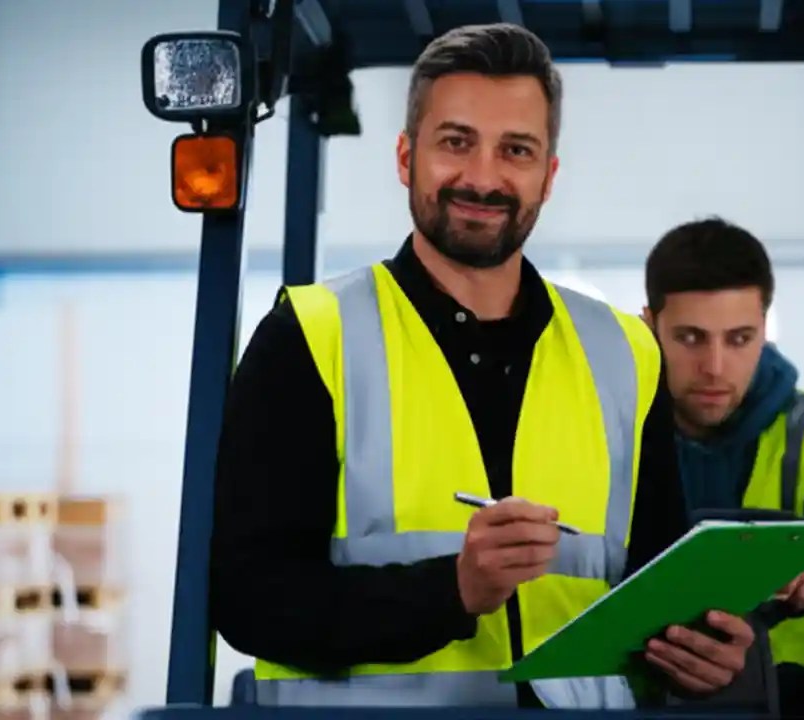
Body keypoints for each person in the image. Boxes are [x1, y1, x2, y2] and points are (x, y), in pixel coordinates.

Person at [209, 23, 756, 710]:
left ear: (548, 176)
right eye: (456, 142)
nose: (483, 177)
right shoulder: (312, 337)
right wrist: (453, 591)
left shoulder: (625, 352)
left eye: (516, 150)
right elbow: (248, 599)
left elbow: (652, 587)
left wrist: (699, 650)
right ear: (406, 157)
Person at [641, 217, 804, 672]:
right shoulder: (609, 430)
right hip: (647, 688)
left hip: (801, 697)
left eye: (740, 339)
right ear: (649, 326)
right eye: (690, 338)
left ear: (764, 327)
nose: (715, 367)